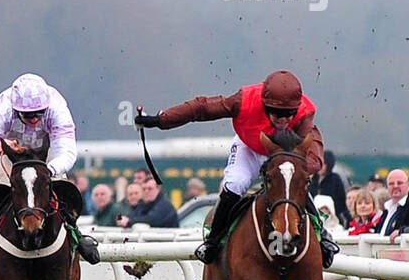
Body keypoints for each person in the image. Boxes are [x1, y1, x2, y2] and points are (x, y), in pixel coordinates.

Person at [134, 69, 338, 268]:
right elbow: (202, 108)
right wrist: (160, 120)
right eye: (277, 114)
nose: (283, 120)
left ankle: (323, 238)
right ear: (264, 105)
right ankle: (213, 241)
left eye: (288, 115)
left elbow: (314, 161)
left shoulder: (304, 115)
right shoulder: (244, 100)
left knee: (292, 182)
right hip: (249, 146)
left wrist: (295, 168)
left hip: (282, 153)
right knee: (235, 184)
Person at [0, 74, 101, 269]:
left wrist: (48, 170)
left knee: (64, 192)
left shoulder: (57, 108)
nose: (33, 119)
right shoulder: (3, 108)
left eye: (38, 113)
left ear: (46, 108)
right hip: (12, 157)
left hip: (45, 157)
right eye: (27, 114)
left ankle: (76, 233)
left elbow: (67, 151)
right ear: (15, 110)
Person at [314, 149, 350, 226]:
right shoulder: (313, 179)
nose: (320, 167)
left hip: (333, 217)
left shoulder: (335, 179)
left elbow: (341, 201)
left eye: (323, 164)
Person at [376, 169, 409, 235]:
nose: (395, 186)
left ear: (408, 185)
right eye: (391, 184)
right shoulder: (386, 209)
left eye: (399, 183)